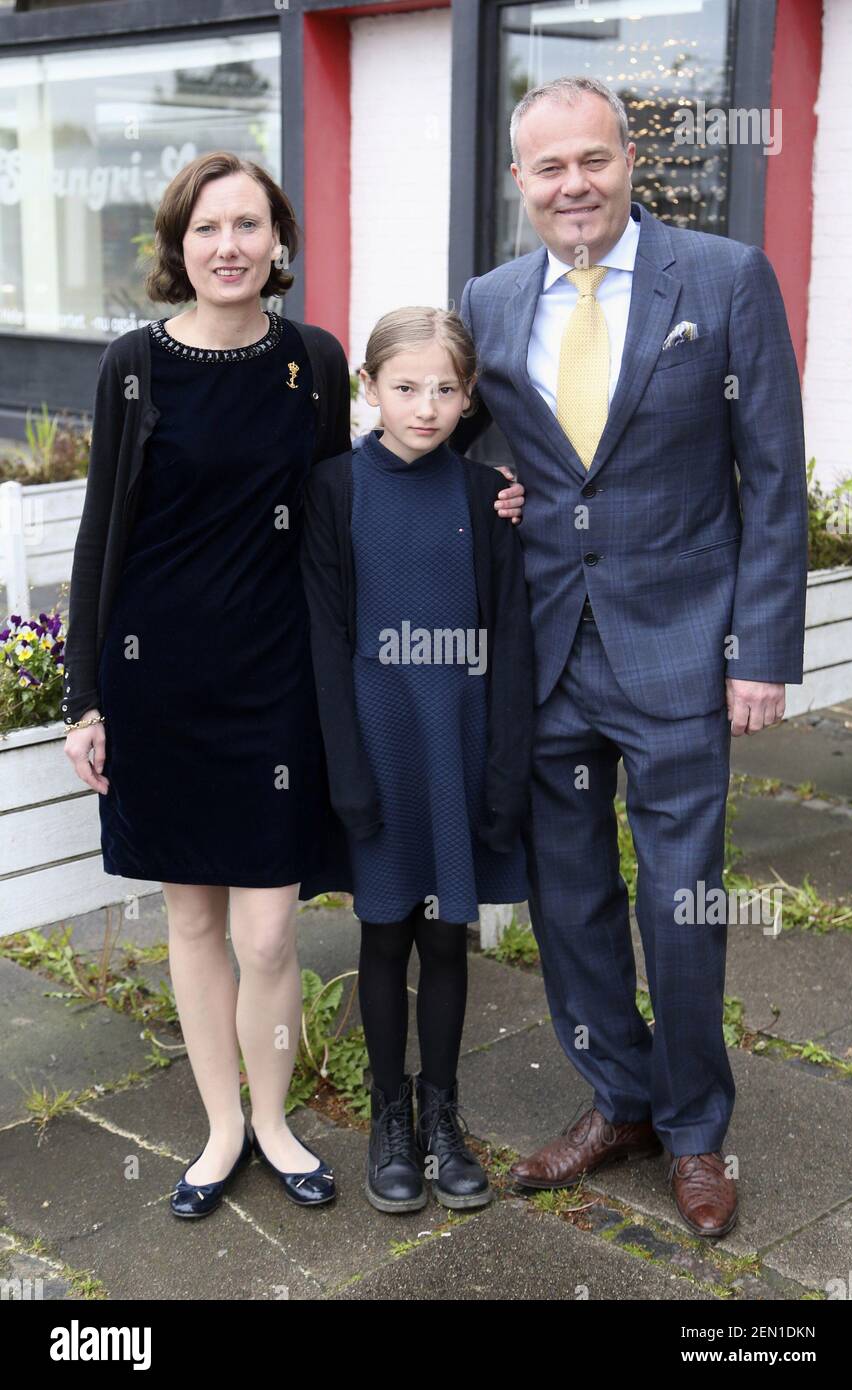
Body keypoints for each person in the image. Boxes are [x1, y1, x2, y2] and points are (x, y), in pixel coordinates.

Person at [62, 152, 525, 1222]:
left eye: (249, 225)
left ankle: (275, 1118)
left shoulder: (312, 362)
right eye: (207, 227)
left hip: (278, 682)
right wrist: (87, 698)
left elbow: (371, 477)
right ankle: (221, 1128)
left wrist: (495, 492)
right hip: (159, 686)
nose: (229, 246)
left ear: (278, 242)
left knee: (268, 933)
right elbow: (99, 540)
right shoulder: (132, 367)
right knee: (191, 924)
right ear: (179, 247)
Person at [449, 77, 809, 1239]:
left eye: (590, 160)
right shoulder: (490, 301)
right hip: (546, 648)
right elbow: (458, 437)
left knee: (682, 901)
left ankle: (697, 1127)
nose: (572, 185)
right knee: (568, 901)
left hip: (680, 652)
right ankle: (621, 1100)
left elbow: (770, 475)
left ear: (624, 158)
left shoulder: (720, 276)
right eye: (547, 168)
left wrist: (759, 650)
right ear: (519, 182)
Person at [300, 307, 534, 1212]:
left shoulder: (487, 498)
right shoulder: (335, 491)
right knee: (385, 930)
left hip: (460, 748)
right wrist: (345, 776)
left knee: (447, 935)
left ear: (469, 395)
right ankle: (389, 1116)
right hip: (380, 743)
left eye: (446, 389)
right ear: (368, 388)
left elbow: (510, 640)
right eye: (405, 388)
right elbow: (325, 638)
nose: (426, 406)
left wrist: (504, 774)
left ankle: (444, 1114)